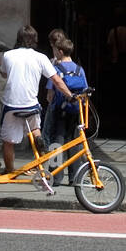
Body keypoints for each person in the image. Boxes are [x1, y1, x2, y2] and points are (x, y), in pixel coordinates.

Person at [0, 26, 74, 179]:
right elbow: (56, 80)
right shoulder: (41, 57)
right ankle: (41, 162)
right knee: (35, 130)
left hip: (12, 105)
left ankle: (10, 171)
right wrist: (70, 95)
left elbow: (3, 73)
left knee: (8, 142)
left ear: (19, 38)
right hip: (31, 105)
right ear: (35, 40)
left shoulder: (8, 55)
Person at [45, 36, 87, 185]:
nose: (54, 52)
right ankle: (74, 177)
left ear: (60, 51)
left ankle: (56, 177)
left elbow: (50, 93)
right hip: (75, 110)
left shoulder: (56, 70)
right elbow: (85, 90)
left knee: (57, 141)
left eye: (55, 50)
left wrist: (51, 104)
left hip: (59, 110)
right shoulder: (79, 69)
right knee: (74, 142)